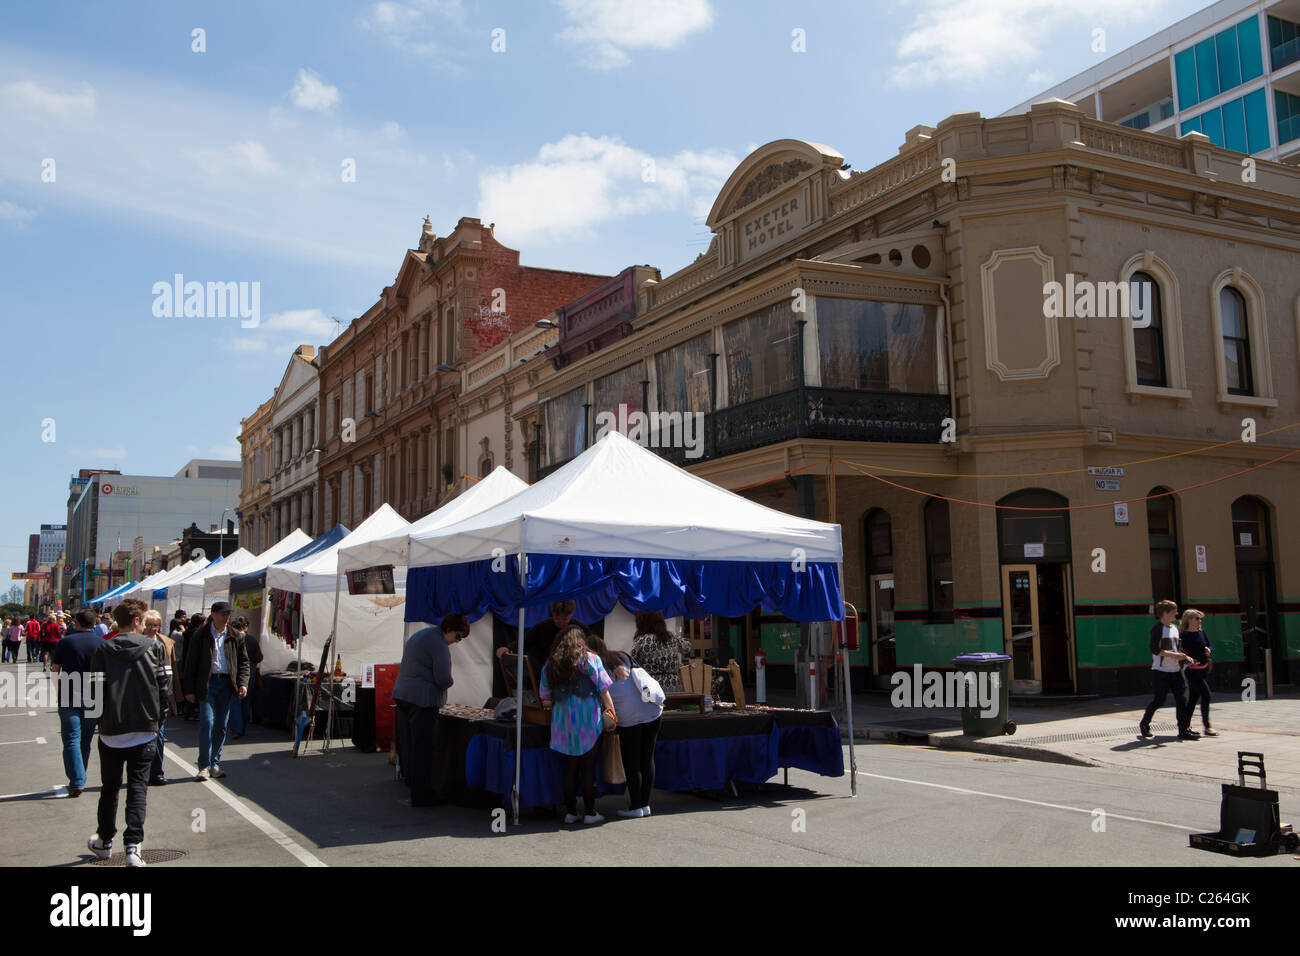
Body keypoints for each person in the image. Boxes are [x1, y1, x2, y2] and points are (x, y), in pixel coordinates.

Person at [85, 598, 171, 867]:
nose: (146, 625)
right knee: (137, 788)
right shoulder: (154, 647)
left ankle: (104, 840)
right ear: (136, 621)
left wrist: (99, 721)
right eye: (144, 620)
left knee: (109, 788)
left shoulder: (103, 650)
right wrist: (160, 717)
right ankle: (133, 846)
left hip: (111, 729)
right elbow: (164, 687)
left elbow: (94, 691)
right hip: (145, 728)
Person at [539, 624, 616, 825]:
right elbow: (604, 690)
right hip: (588, 720)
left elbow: (545, 698)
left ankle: (571, 813)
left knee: (570, 768)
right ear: (580, 640)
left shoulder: (550, 664)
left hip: (562, 721)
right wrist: (612, 716)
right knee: (588, 768)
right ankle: (590, 813)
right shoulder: (591, 659)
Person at [392, 613, 463, 807]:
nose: (457, 641)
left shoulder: (423, 635)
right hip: (422, 700)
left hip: (403, 695)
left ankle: (413, 783)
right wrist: (451, 681)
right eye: (458, 636)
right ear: (450, 629)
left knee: (411, 744)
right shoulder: (438, 644)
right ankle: (422, 795)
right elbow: (443, 679)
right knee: (423, 748)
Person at [595, 637, 664, 819]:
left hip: (628, 718)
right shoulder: (623, 656)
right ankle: (645, 804)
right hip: (652, 711)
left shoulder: (597, 667)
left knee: (632, 762)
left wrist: (609, 720)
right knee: (647, 759)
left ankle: (635, 806)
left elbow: (603, 699)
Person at [180, 601, 250, 781]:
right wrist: (188, 688)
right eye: (223, 614)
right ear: (213, 615)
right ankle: (203, 765)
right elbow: (190, 663)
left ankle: (214, 763)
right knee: (207, 722)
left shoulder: (235, 635)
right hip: (208, 684)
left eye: (228, 614)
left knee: (221, 725)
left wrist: (243, 683)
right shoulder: (201, 634)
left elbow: (244, 662)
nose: (226, 617)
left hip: (227, 683)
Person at [51, 610, 104, 797]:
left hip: (69, 695)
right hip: (93, 697)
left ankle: (77, 780)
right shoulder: (101, 643)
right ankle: (80, 776)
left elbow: (55, 669)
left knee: (71, 738)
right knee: (85, 740)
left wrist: (58, 690)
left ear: (77, 622)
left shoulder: (66, 642)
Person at [493, 600, 589, 698]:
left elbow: (591, 649)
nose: (561, 621)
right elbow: (524, 641)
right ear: (552, 614)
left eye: (565, 618)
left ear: (571, 614)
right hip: (543, 677)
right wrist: (508, 648)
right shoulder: (542, 627)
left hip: (571, 679)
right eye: (557, 617)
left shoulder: (579, 629)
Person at [1140, 599, 1197, 740]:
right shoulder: (1157, 628)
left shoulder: (1174, 628)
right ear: (1165, 613)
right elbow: (1154, 649)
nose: (1177, 614)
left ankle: (1183, 730)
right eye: (1174, 611)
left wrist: (1185, 657)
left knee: (1181, 700)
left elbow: (1177, 648)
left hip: (1176, 671)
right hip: (1160, 671)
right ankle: (1145, 724)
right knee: (1159, 700)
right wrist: (1175, 655)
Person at [142, 610, 181, 785]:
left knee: (158, 736)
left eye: (155, 625)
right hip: (140, 697)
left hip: (160, 696)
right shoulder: (136, 642)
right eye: (149, 624)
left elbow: (170, 673)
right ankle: (142, 772)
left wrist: (170, 697)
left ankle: (156, 772)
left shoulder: (165, 643)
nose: (152, 628)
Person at [631, 611, 692, 693]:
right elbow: (687, 647)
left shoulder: (641, 641)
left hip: (651, 685)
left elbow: (632, 663)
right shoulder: (671, 638)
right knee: (673, 705)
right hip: (673, 685)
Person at [1180, 609, 1217, 737]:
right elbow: (1181, 652)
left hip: (1203, 669)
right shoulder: (1184, 635)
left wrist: (1209, 650)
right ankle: (1207, 726)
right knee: (1206, 695)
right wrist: (1188, 659)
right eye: (1197, 618)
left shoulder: (1201, 632)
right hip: (1192, 671)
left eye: (1200, 619)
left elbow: (1210, 645)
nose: (1199, 621)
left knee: (1193, 699)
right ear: (1189, 619)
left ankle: (1185, 725)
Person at [227, 616, 258, 738]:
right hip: (249, 673)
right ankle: (242, 727)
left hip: (234, 673)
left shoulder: (230, 638)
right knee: (245, 701)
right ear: (245, 626)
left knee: (235, 702)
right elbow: (259, 657)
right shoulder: (251, 639)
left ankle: (236, 729)